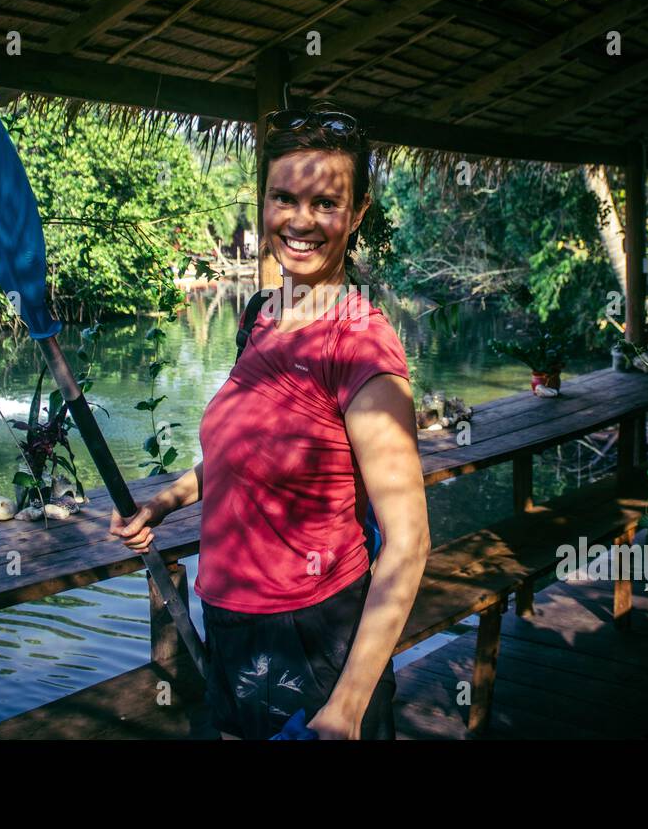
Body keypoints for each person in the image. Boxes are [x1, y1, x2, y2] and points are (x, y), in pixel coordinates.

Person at [111, 103, 430, 740]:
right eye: (285, 198)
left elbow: (409, 543)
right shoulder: (261, 314)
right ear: (262, 202)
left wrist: (346, 708)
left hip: (314, 635)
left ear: (358, 213)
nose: (301, 221)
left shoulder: (360, 346)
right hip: (228, 620)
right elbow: (246, 451)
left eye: (325, 204)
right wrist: (169, 500)